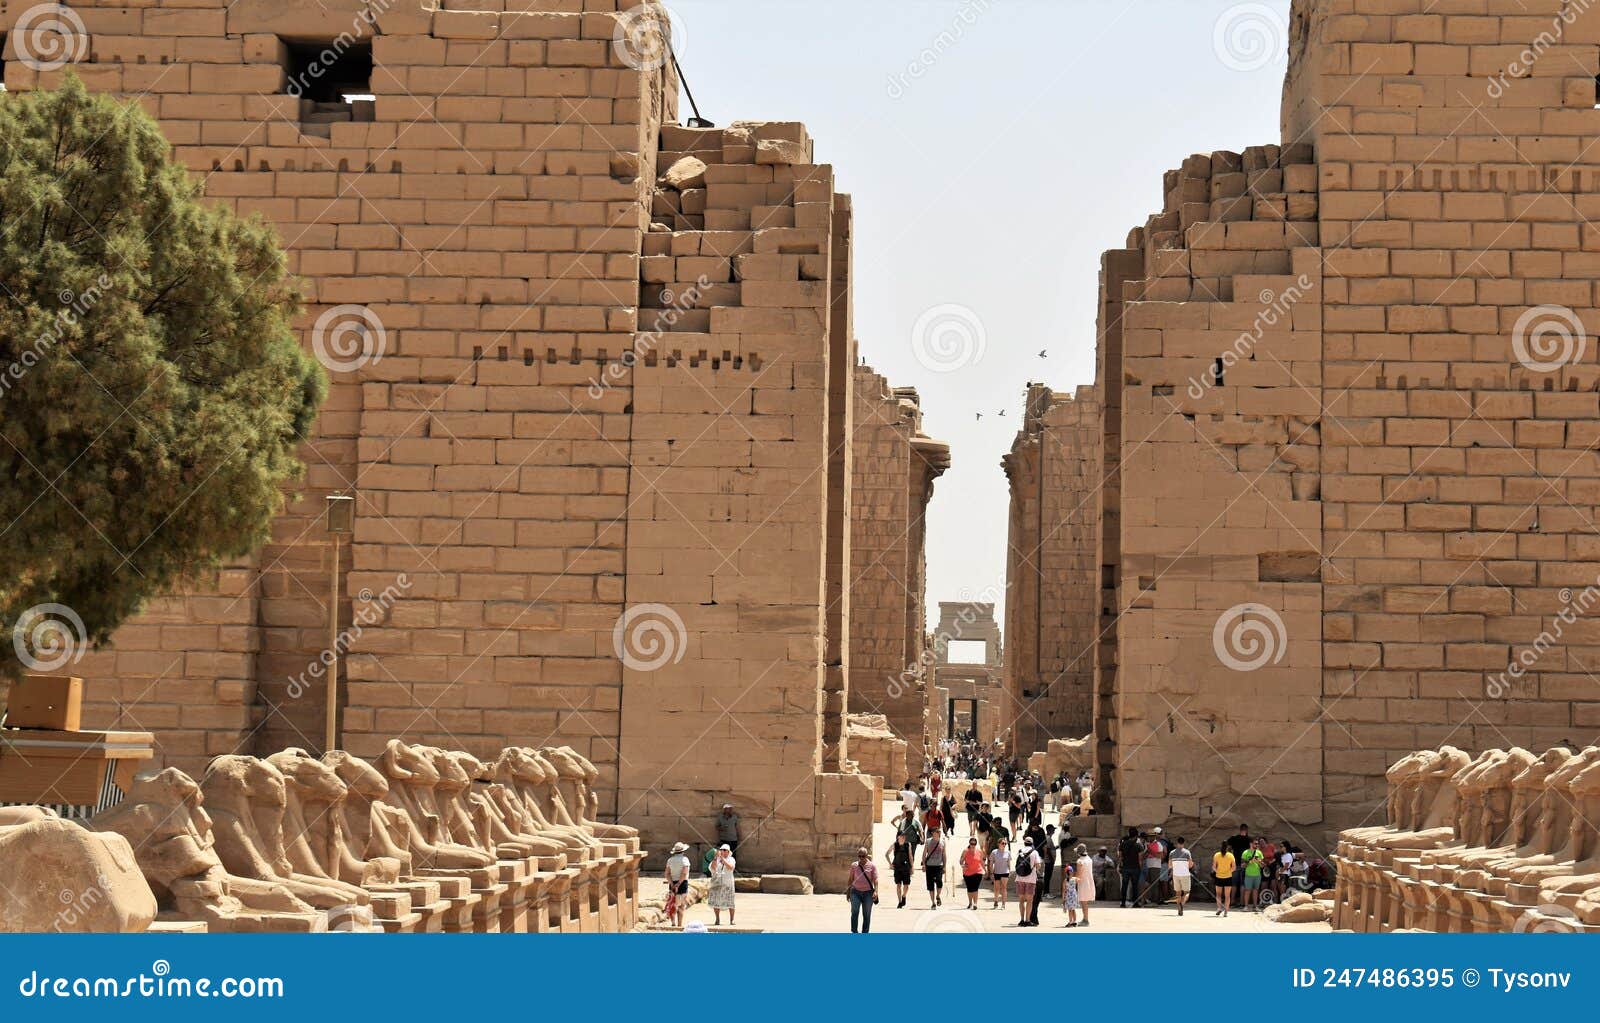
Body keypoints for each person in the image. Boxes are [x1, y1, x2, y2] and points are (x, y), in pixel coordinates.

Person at [847, 846, 879, 933]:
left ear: (867, 855)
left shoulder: (872, 866)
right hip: (855, 892)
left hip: (868, 893)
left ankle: (865, 933)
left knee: (867, 914)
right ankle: (854, 932)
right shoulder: (854, 865)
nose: (861, 858)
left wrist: (876, 892)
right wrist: (848, 892)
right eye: (859, 856)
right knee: (854, 912)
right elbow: (850, 879)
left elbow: (875, 880)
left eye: (863, 856)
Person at [664, 841, 692, 928]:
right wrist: (679, 884)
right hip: (682, 883)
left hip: (672, 883)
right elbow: (684, 873)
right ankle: (679, 924)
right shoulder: (685, 860)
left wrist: (672, 884)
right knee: (681, 905)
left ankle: (673, 922)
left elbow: (667, 874)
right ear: (683, 851)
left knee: (673, 903)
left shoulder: (670, 860)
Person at [708, 844, 736, 926]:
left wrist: (723, 859)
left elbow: (731, 867)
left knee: (731, 902)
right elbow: (712, 868)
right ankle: (717, 919)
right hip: (716, 883)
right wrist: (715, 858)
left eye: (724, 850)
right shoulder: (716, 859)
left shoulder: (731, 859)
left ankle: (732, 920)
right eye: (721, 850)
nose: (722, 851)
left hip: (728, 884)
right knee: (716, 902)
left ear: (728, 852)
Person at [887, 830, 915, 909]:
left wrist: (912, 867)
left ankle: (904, 896)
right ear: (898, 837)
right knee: (898, 885)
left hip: (906, 867)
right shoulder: (894, 845)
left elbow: (910, 856)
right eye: (902, 836)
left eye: (904, 836)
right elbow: (886, 854)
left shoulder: (908, 844)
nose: (903, 837)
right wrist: (890, 864)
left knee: (906, 885)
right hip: (897, 867)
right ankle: (899, 902)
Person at [1226, 824, 1252, 908]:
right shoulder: (1249, 839)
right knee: (1242, 884)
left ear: (1240, 829)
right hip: (1245, 864)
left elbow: (1227, 847)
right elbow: (1251, 851)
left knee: (1233, 883)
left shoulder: (1234, 838)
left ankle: (1232, 901)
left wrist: (1230, 855)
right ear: (1246, 830)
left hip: (1235, 863)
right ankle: (1241, 902)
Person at [1168, 837, 1194, 916]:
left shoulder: (1172, 853)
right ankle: (1182, 904)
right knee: (1187, 892)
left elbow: (1169, 865)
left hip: (1176, 874)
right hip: (1185, 874)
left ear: (1177, 843)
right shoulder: (1187, 852)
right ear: (1183, 843)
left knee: (1178, 893)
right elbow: (1190, 865)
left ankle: (1179, 907)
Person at [1118, 827, 1143, 907]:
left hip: (1125, 868)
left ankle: (1123, 903)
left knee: (1124, 885)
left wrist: (1120, 866)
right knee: (1135, 886)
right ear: (1136, 836)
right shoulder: (1138, 845)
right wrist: (1140, 868)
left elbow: (1120, 857)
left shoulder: (1122, 844)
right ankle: (1135, 903)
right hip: (1135, 868)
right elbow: (1140, 859)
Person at [922, 827, 947, 908]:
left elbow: (944, 854)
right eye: (935, 832)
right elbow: (924, 853)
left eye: (938, 832)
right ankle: (933, 903)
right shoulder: (928, 841)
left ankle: (938, 896)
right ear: (932, 833)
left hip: (939, 866)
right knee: (930, 885)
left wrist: (944, 866)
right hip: (929, 866)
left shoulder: (942, 842)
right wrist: (924, 865)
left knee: (939, 882)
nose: (936, 833)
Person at [1241, 838, 1267, 912]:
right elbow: (1242, 865)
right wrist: (1249, 862)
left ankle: (1255, 906)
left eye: (1257, 844)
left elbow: (1262, 866)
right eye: (1255, 843)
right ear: (1251, 844)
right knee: (1247, 890)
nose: (1257, 845)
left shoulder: (1259, 852)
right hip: (1248, 874)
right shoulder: (1245, 852)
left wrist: (1260, 862)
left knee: (1255, 891)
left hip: (1257, 874)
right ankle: (1246, 906)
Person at [1073, 843, 1095, 926]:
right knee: (1084, 902)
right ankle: (1085, 919)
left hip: (1083, 883)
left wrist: (1073, 880)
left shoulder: (1080, 861)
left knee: (1084, 903)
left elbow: (1079, 874)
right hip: (1089, 881)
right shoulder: (1089, 859)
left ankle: (1086, 920)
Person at [960, 837, 985, 910]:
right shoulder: (965, 851)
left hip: (978, 872)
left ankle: (975, 903)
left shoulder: (979, 851)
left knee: (975, 888)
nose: (973, 845)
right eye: (971, 844)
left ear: (976, 844)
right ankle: (970, 903)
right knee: (969, 889)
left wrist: (985, 870)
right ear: (969, 844)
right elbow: (961, 860)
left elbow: (981, 861)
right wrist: (963, 865)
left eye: (974, 844)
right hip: (967, 872)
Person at [1213, 842, 1237, 916]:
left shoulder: (1216, 855)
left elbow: (1214, 867)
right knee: (1227, 896)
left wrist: (1218, 872)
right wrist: (1228, 872)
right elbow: (1234, 867)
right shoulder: (1231, 855)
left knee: (1218, 894)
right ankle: (1226, 912)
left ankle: (1219, 908)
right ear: (1228, 847)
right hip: (1228, 877)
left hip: (1219, 877)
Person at [1140, 831, 1164, 907]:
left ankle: (1155, 901)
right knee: (1147, 884)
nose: (1149, 838)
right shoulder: (1148, 845)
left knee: (1154, 884)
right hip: (1148, 866)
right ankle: (1148, 899)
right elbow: (1144, 856)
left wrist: (1150, 850)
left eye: (1151, 836)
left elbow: (1160, 856)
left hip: (1155, 866)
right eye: (1148, 836)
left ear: (1154, 837)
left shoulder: (1158, 844)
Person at [989, 837, 1012, 910]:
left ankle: (1003, 904)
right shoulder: (994, 852)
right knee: (996, 888)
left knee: (1004, 888)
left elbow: (1009, 863)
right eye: (1003, 843)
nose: (1004, 845)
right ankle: (996, 901)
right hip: (997, 872)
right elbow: (991, 863)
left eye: (1005, 843)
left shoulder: (1008, 852)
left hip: (1005, 872)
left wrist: (1010, 871)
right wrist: (991, 873)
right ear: (998, 844)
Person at [1060, 856, 1080, 927]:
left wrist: (1063, 899)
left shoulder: (1065, 881)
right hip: (1074, 895)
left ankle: (1070, 921)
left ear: (1066, 873)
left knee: (1069, 910)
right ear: (1072, 872)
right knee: (1073, 909)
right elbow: (1080, 878)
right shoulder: (1075, 879)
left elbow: (1064, 891)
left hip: (1068, 896)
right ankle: (1074, 921)